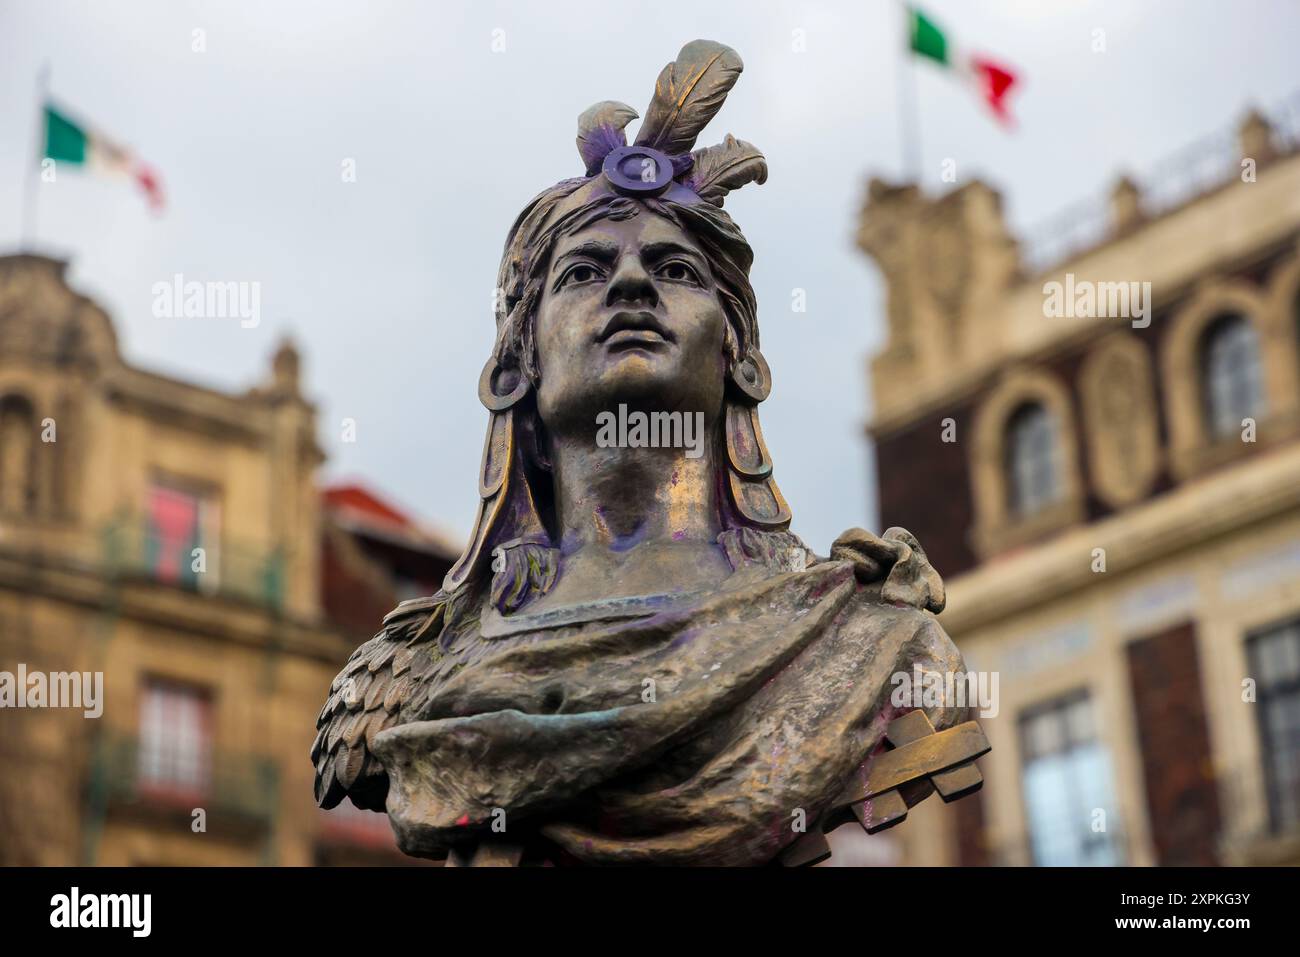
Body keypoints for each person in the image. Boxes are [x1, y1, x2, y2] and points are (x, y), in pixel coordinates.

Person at [313, 39, 969, 866]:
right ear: (519, 360)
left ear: (740, 354)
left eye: (674, 268)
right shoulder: (419, 670)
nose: (631, 286)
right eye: (584, 271)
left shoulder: (868, 639)